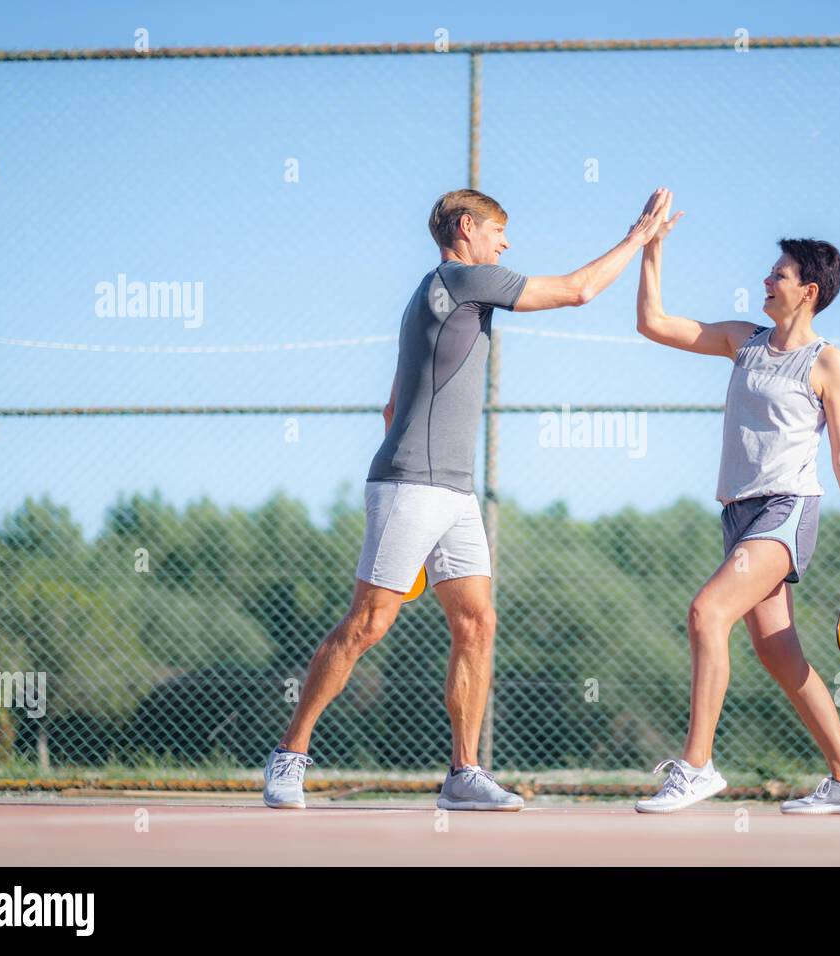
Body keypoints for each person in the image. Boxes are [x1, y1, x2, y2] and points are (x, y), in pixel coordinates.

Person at [264, 187, 673, 811]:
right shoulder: (461, 278)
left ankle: (463, 774)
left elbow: (391, 406)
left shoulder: (438, 293)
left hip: (453, 491)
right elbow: (577, 290)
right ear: (466, 228)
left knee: (477, 623)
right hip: (410, 484)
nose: (505, 244)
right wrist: (639, 238)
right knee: (369, 624)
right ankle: (289, 757)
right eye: (498, 232)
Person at [633, 192, 840, 814]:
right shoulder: (744, 340)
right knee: (780, 654)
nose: (767, 280)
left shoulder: (827, 361)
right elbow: (654, 323)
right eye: (771, 272)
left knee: (706, 614)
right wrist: (652, 247)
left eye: (781, 275)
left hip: (786, 508)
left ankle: (697, 767)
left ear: (810, 291)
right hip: (739, 513)